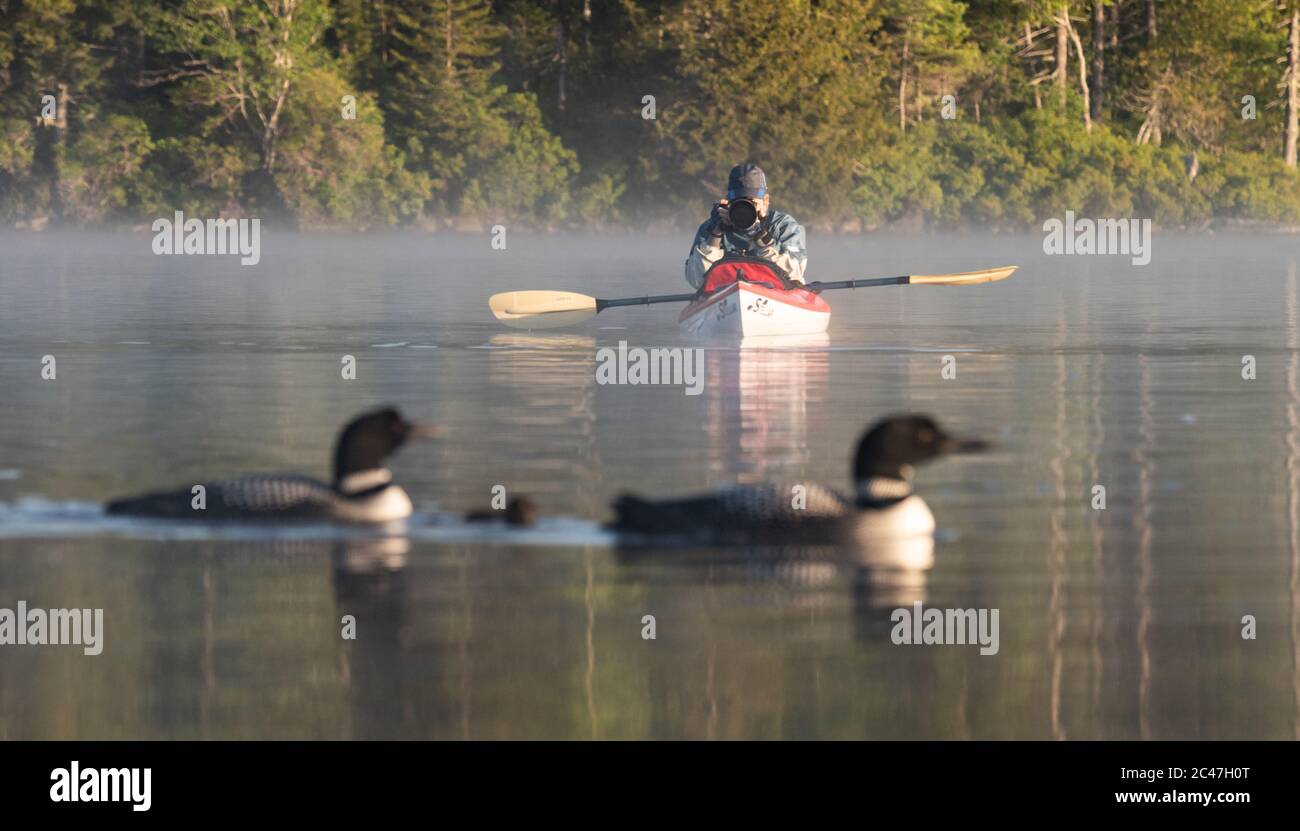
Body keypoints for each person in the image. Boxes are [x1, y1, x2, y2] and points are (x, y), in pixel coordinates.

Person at [684, 163, 808, 289]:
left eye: (751, 203)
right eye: (739, 203)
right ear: (728, 202)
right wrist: (715, 234)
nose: (744, 210)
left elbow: (794, 274)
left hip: (777, 291)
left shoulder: (783, 226)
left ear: (765, 201)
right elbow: (697, 280)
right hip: (726, 294)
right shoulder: (711, 228)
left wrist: (758, 234)